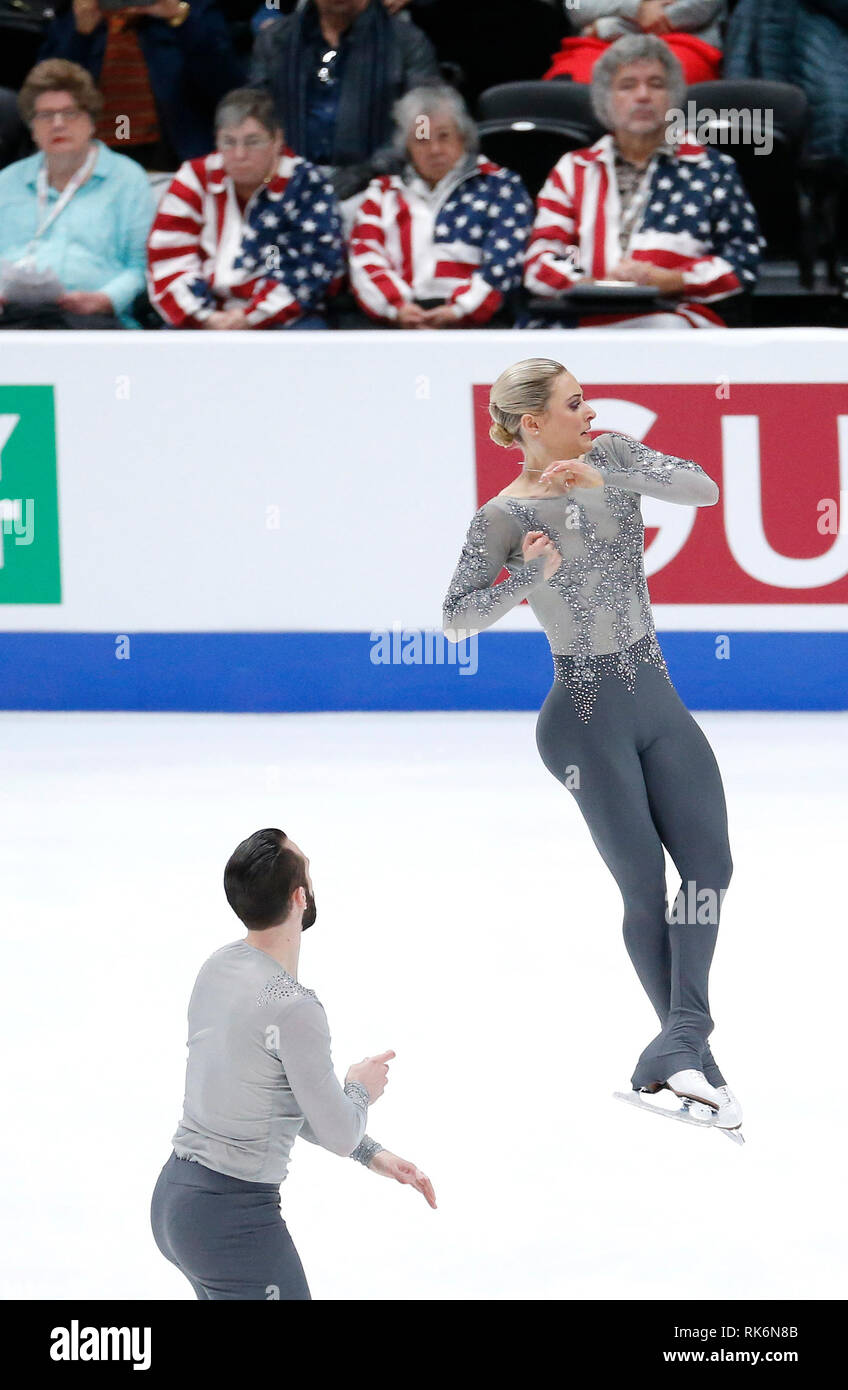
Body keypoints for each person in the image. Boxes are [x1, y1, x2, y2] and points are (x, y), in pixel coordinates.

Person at [441, 357, 744, 1138]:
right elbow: (456, 618)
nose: (590, 411)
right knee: (645, 886)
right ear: (531, 421)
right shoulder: (502, 514)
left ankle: (681, 1040)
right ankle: (688, 1053)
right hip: (582, 714)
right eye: (574, 404)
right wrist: (522, 573)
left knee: (710, 867)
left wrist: (608, 482)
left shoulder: (610, 458)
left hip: (655, 693)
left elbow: (704, 488)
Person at [151, 827, 435, 1300]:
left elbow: (271, 1098)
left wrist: (373, 1154)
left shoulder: (217, 966)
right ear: (300, 897)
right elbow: (339, 1130)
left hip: (176, 1204)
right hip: (233, 1219)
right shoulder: (293, 1006)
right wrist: (359, 1088)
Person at [523, 34, 765, 328]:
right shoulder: (573, 168)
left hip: (674, 318)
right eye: (627, 85)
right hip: (581, 319)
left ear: (673, 96)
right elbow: (539, 261)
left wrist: (674, 281)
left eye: (656, 84)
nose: (643, 95)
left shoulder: (713, 169)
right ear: (605, 99)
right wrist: (595, 287)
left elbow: (742, 263)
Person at [147, 87, 344, 328]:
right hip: (205, 317)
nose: (240, 154)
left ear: (277, 140)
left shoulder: (306, 184)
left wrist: (249, 317)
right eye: (229, 142)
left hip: (287, 319)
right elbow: (168, 261)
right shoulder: (194, 177)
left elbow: (308, 271)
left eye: (253, 142)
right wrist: (205, 317)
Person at [348, 83, 533, 327]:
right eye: (421, 140)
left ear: (463, 136)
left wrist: (459, 309)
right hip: (398, 324)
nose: (434, 150)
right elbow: (365, 257)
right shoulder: (381, 194)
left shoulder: (501, 187)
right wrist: (397, 308)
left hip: (478, 325)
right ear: (406, 148)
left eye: (444, 136)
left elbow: (504, 262)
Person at [0, 59, 154, 328]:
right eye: (45, 115)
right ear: (32, 128)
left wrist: (106, 298)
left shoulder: (128, 180)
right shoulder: (7, 181)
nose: (58, 124)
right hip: (13, 315)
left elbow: (141, 266)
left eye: (70, 113)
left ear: (91, 121)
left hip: (94, 318)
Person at [249, 0, 441, 201]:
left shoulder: (408, 42)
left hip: (381, 192)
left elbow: (423, 125)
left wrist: (368, 172)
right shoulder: (275, 40)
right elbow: (255, 117)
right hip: (288, 189)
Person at [40, 0, 245, 168]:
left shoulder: (192, 8)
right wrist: (80, 36)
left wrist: (180, 18)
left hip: (174, 157)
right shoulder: (69, 14)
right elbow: (45, 97)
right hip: (89, 158)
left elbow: (228, 91)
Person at [544, 0, 726, 86]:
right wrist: (635, 7)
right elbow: (575, 6)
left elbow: (701, 7)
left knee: (656, 89)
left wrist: (609, 27)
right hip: (598, 46)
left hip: (681, 40)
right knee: (563, 94)